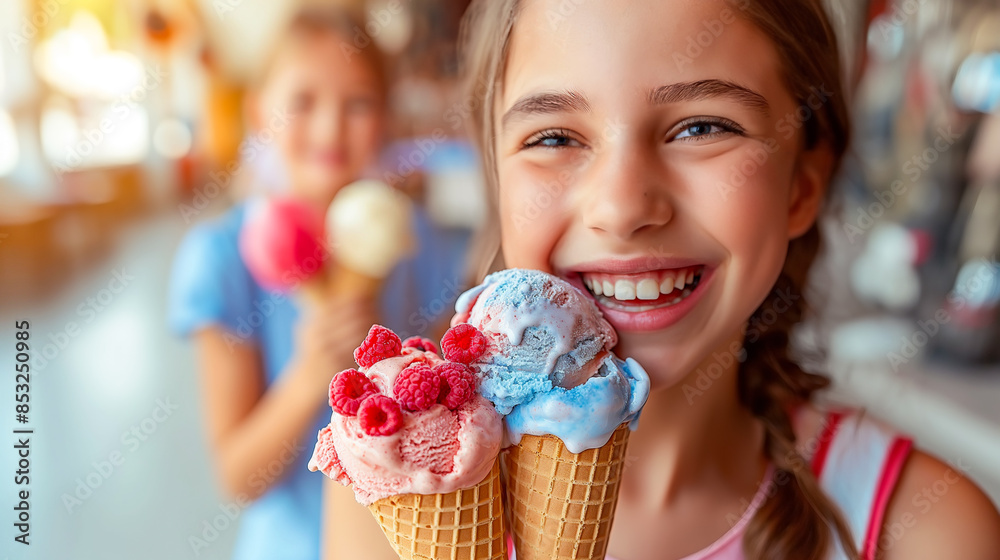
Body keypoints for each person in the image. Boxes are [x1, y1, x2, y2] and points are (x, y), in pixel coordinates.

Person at [450, 0, 1000, 559]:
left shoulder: (928, 534)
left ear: (802, 187)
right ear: (497, 184)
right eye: (554, 138)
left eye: (701, 127)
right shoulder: (378, 513)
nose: (621, 206)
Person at [168, 7, 467, 560]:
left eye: (358, 103)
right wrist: (311, 375)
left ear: (386, 118)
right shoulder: (221, 258)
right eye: (303, 102)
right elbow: (238, 478)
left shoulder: (418, 243)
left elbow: (450, 424)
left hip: (403, 543)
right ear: (260, 113)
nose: (331, 128)